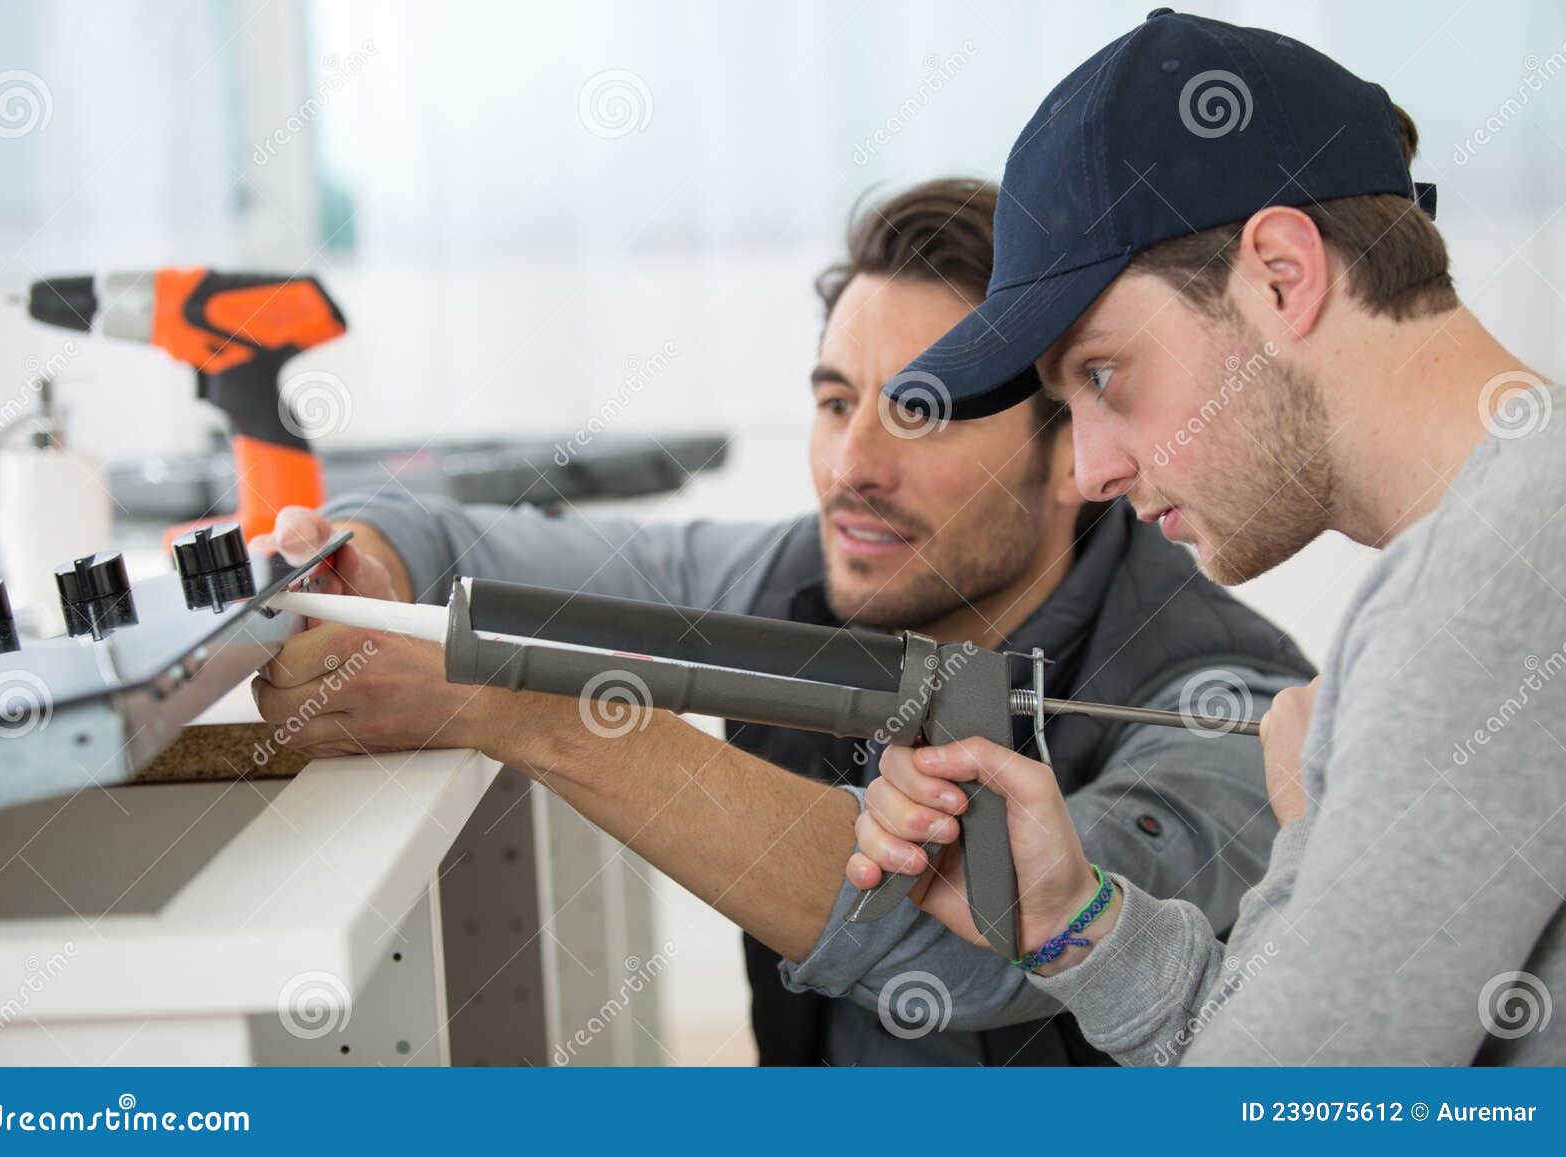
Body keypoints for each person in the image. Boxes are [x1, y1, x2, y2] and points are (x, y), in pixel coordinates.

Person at [250, 178, 1312, 1066]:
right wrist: (369, 557)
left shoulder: (1227, 709)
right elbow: (455, 545)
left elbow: (988, 950)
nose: (852, 468)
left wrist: (537, 716)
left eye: (924, 410)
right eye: (835, 401)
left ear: (1074, 450)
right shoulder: (808, 575)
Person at [845, 10, 1566, 1064]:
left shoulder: (1484, 586)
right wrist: (1070, 918)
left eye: (1102, 374)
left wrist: (1313, 833)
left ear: (1280, 273)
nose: (1090, 469)